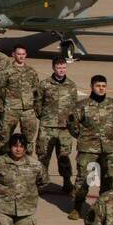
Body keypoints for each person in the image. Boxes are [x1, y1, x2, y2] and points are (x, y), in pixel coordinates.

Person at [69, 74, 113, 221]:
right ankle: (77, 208)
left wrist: (108, 134)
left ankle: (104, 209)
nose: (101, 88)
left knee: (108, 179)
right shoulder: (82, 105)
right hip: (88, 149)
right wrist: (83, 137)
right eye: (98, 86)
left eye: (103, 86)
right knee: (83, 179)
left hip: (108, 149)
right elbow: (72, 124)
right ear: (92, 86)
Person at [36, 57, 78, 194]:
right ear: (53, 68)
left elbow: (74, 106)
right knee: (43, 156)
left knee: (64, 157)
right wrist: (44, 117)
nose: (61, 70)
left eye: (64, 68)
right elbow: (37, 103)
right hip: (47, 127)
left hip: (65, 128)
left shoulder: (71, 85)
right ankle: (41, 183)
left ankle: (67, 183)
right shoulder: (44, 84)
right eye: (59, 68)